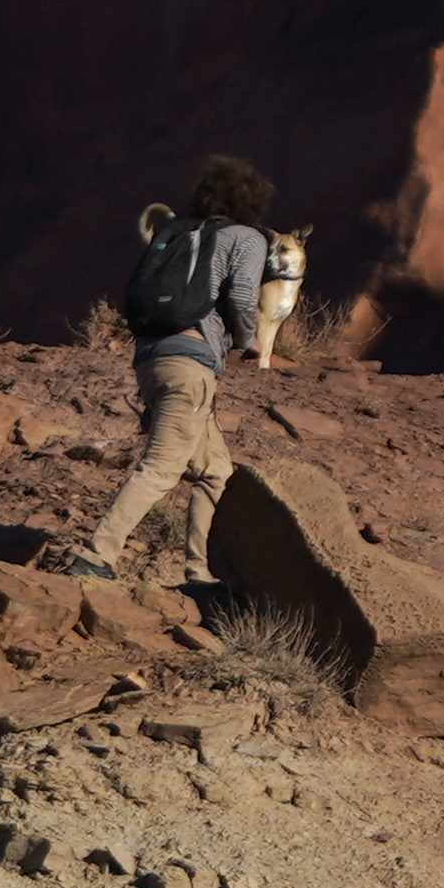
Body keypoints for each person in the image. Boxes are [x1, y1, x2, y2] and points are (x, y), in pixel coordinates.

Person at [87, 155, 289, 582]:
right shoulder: (246, 238)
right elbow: (241, 298)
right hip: (190, 365)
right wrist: (248, 340)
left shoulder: (179, 233)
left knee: (217, 473)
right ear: (251, 203)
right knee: (162, 467)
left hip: (151, 358)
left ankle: (201, 573)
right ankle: (96, 556)